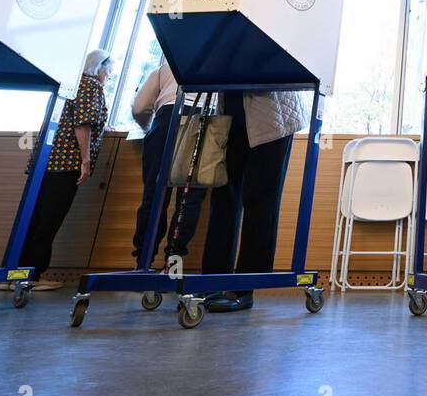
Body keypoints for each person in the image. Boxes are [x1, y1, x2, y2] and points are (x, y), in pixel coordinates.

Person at [200, 89, 310, 312]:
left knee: (260, 200)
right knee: (223, 199)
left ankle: (244, 287)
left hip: (272, 118)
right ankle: (211, 281)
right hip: (231, 117)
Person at [18, 49, 112, 291]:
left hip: (44, 162)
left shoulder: (69, 83)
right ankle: (32, 276)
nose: (109, 77)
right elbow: (83, 123)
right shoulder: (90, 84)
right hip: (66, 162)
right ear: (99, 67)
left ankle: (17, 274)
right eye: (109, 71)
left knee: (33, 218)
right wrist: (85, 160)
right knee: (49, 219)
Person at [129, 58, 206, 268]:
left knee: (154, 195)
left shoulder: (166, 66)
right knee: (189, 199)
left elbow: (139, 107)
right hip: (202, 120)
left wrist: (147, 128)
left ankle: (142, 261)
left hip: (165, 120)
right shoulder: (216, 64)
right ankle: (174, 264)